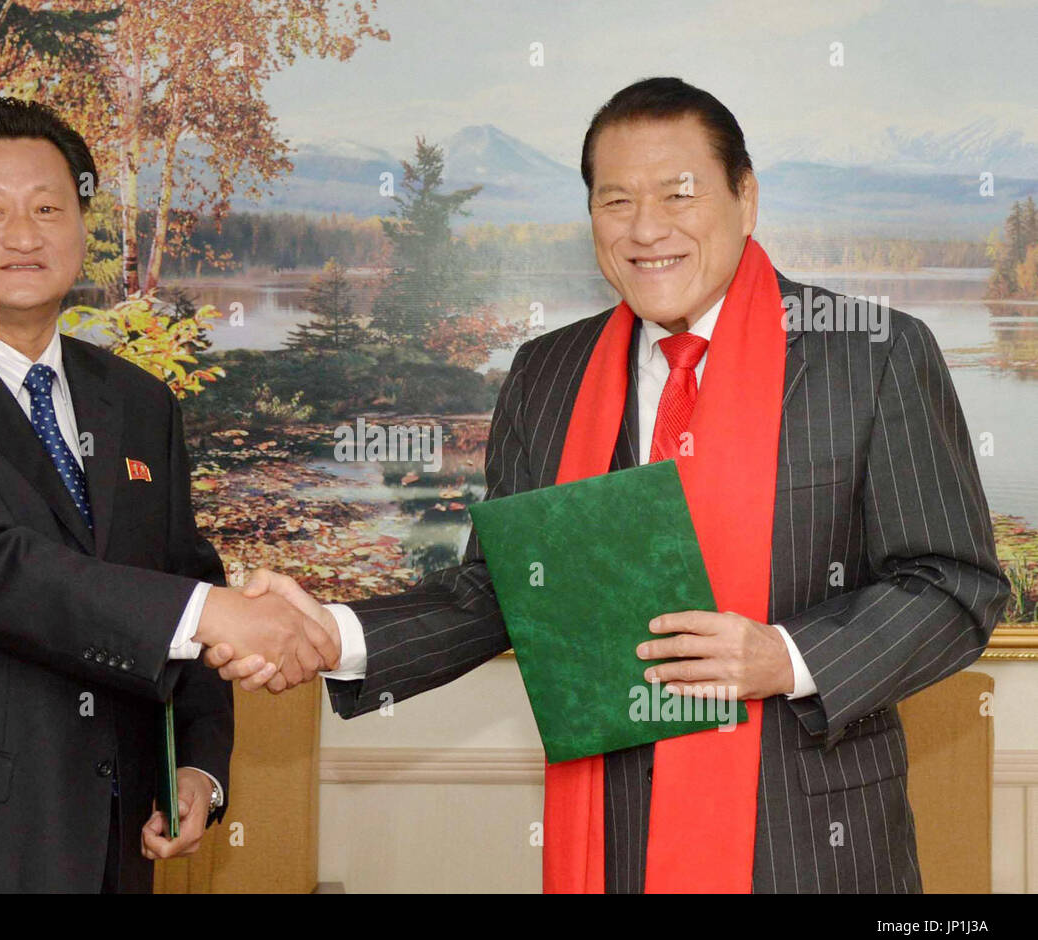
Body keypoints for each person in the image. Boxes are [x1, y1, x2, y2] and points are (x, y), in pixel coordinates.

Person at [205, 77, 1009, 893]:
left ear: (746, 197)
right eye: (616, 200)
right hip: (609, 841)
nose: (646, 228)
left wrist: (783, 656)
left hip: (808, 851)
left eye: (678, 194)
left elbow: (955, 586)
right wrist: (330, 634)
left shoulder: (872, 356)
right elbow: (499, 592)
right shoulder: (548, 374)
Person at [0, 97, 337, 892]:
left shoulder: (138, 401)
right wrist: (212, 614)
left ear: (80, 224)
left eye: (49, 208)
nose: (25, 235)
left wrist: (195, 767)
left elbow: (185, 575)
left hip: (111, 850)